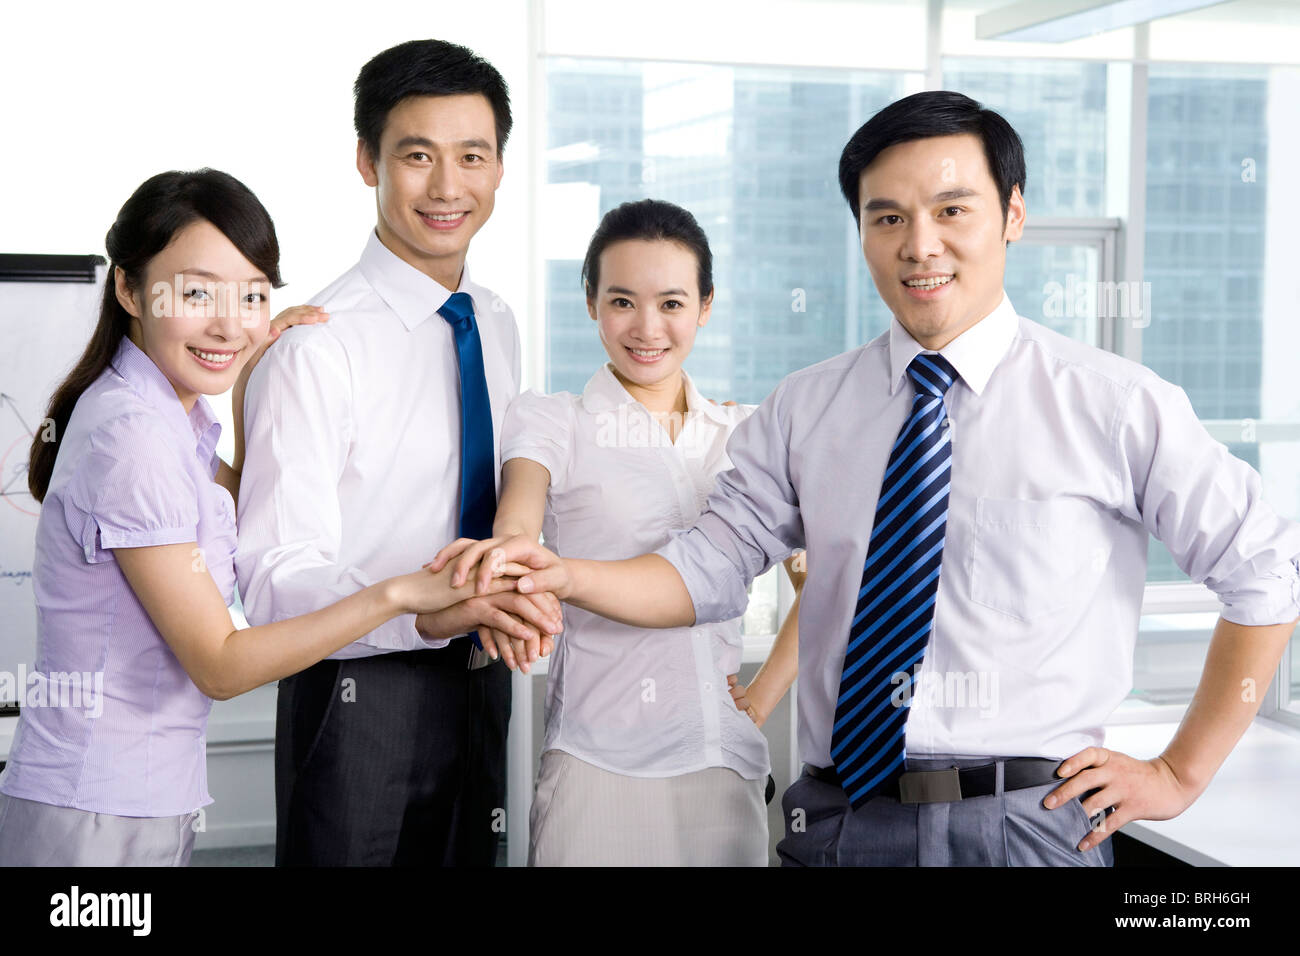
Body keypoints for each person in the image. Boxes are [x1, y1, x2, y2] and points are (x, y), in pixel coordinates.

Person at [440, 90, 1300, 867]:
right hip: (841, 823)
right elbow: (705, 568)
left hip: (1026, 823)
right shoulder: (806, 409)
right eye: (886, 218)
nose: (918, 244)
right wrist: (567, 573)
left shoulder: (1113, 404)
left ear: (1012, 215)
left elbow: (1262, 572)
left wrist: (1181, 771)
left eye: (951, 209)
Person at [0, 169, 517, 867]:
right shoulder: (135, 438)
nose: (229, 320)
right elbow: (219, 664)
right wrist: (398, 593)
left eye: (251, 295)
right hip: (94, 814)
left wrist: (250, 379)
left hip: (135, 799)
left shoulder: (164, 417)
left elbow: (240, 517)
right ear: (128, 289)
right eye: (195, 292)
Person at [235, 38, 559, 867]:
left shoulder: (495, 320)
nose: (448, 187)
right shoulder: (319, 347)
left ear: (498, 168)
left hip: (484, 672)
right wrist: (415, 610)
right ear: (366, 161)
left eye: (472, 157)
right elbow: (275, 582)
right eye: (417, 156)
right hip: (356, 693)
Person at [443, 199, 800, 865]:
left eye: (671, 303)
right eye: (622, 301)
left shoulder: (744, 434)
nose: (646, 327)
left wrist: (759, 698)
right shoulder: (554, 419)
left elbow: (829, 579)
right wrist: (515, 556)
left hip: (720, 762)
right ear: (590, 302)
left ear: (706, 305)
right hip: (597, 758)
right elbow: (518, 515)